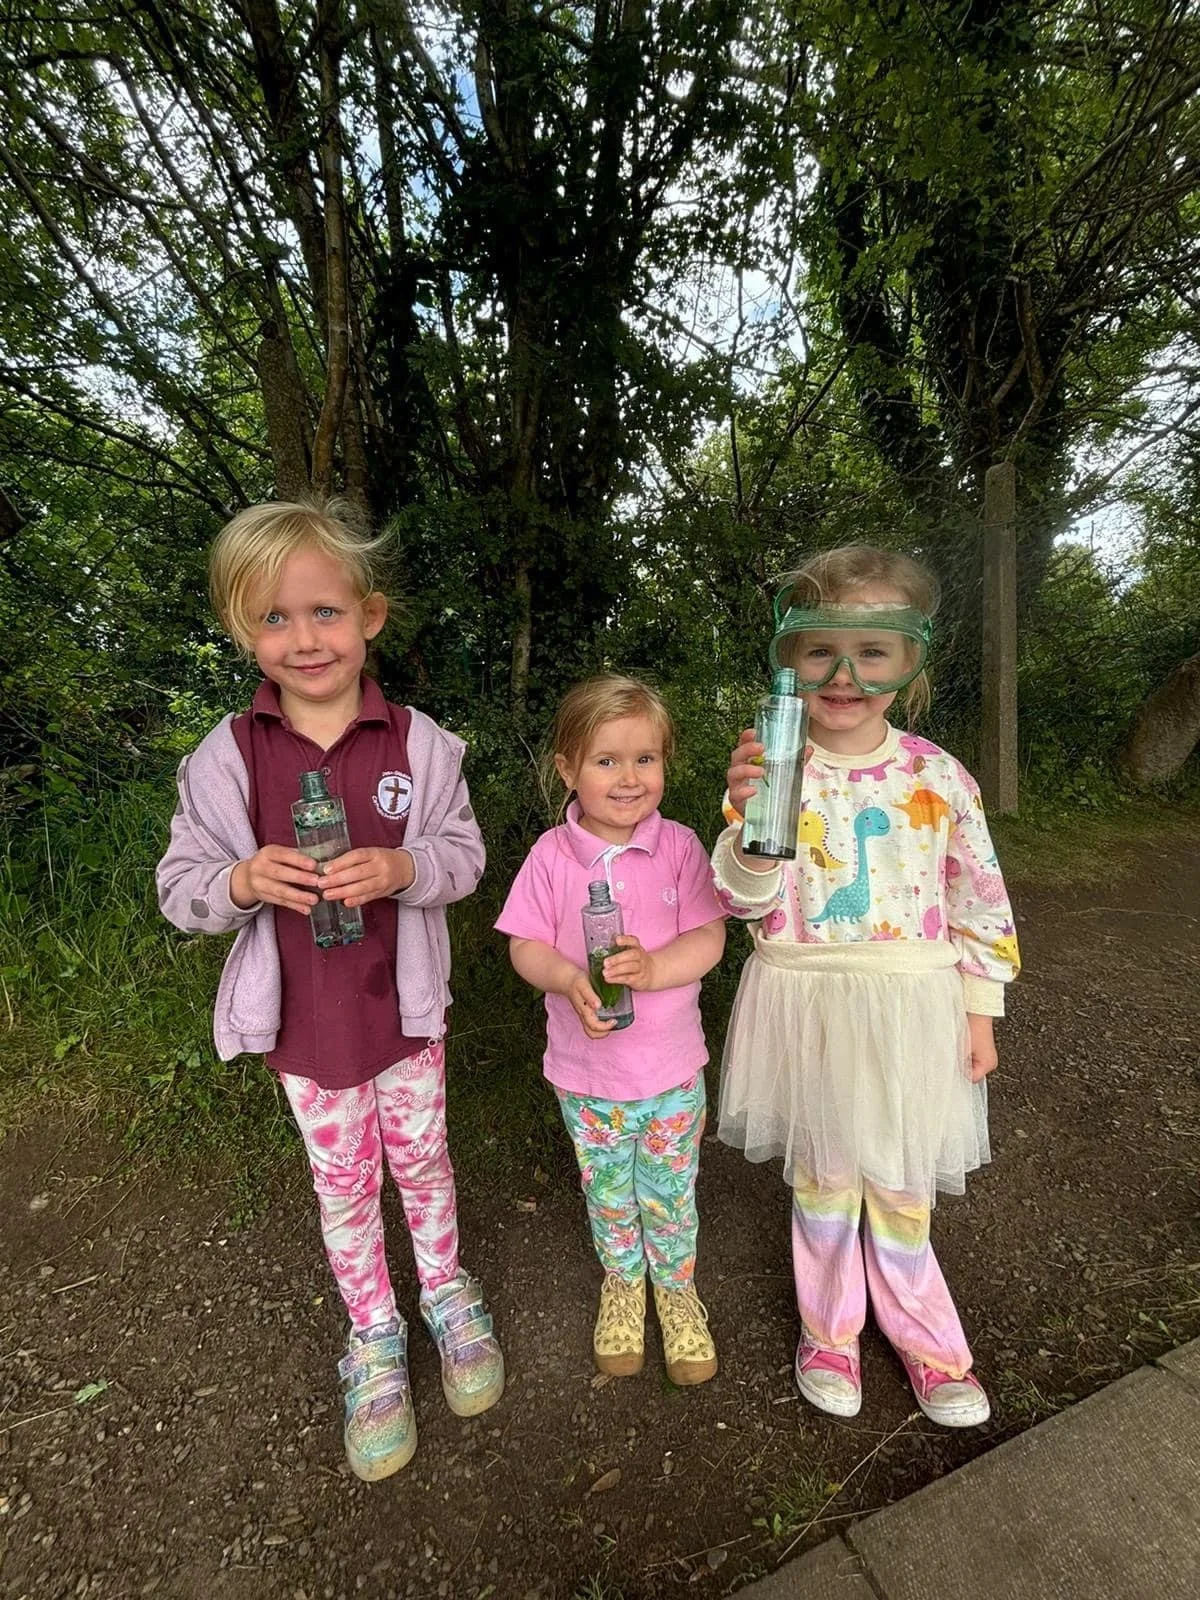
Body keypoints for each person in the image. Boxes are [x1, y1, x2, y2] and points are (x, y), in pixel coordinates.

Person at [156, 500, 503, 1482]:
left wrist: (402, 870)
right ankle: (375, 1333)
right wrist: (239, 881)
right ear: (242, 630)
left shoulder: (422, 746)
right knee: (345, 1187)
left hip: (405, 1016)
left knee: (424, 1162)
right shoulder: (226, 759)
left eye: (325, 613)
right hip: (306, 1032)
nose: (304, 638)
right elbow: (181, 889)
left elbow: (464, 858)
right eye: (274, 617)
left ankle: (445, 1292)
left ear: (372, 616)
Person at [712, 544, 1020, 1427]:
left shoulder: (938, 777)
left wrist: (980, 1008)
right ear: (788, 659)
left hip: (910, 1005)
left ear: (911, 663)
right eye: (820, 651)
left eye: (873, 651)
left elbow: (978, 895)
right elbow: (738, 901)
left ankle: (926, 1336)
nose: (845, 674)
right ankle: (829, 1327)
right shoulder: (768, 770)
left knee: (900, 1180)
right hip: (804, 1000)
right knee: (825, 1174)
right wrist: (751, 822)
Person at [496, 676, 727, 1385]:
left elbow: (710, 938)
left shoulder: (682, 848)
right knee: (608, 1191)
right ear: (567, 769)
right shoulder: (550, 857)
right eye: (606, 761)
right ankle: (624, 1284)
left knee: (669, 1188)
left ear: (664, 763)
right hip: (587, 1078)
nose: (628, 778)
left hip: (669, 1072)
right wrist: (568, 979)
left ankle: (677, 1288)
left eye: (645, 759)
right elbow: (524, 945)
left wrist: (655, 968)